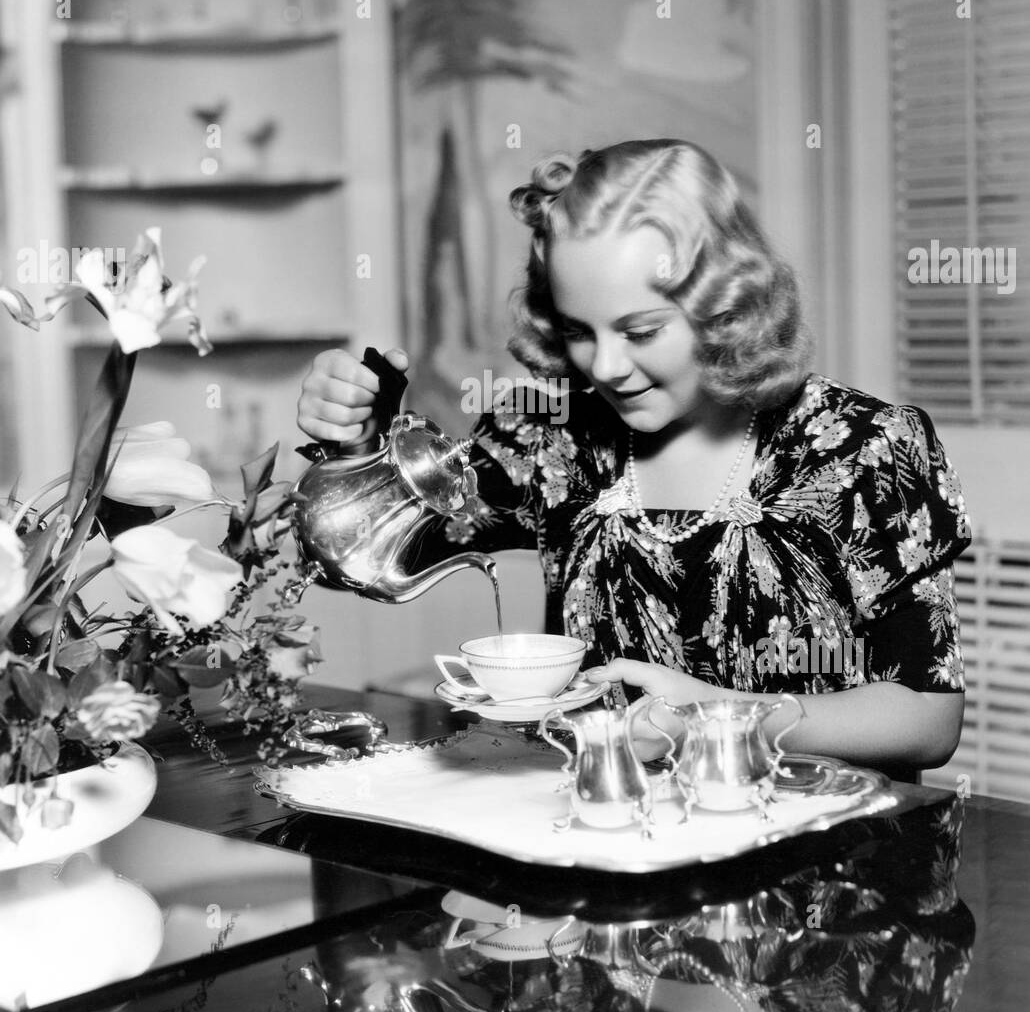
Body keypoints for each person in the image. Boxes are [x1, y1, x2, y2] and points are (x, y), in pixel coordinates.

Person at [297, 139, 971, 779]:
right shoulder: (549, 437)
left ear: (724, 305)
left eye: (641, 330)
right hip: (605, 841)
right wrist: (355, 445)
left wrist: (717, 718)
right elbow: (370, 560)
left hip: (821, 873)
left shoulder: (863, 449)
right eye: (577, 331)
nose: (609, 368)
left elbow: (926, 718)